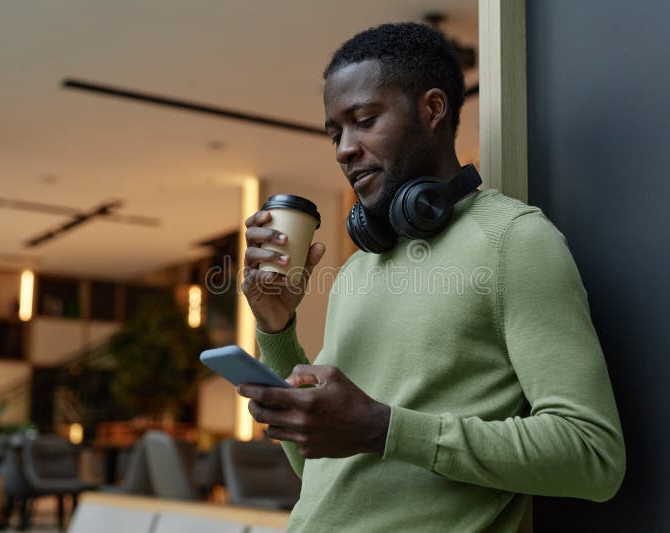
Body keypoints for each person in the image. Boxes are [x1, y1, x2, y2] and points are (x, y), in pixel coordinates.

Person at [238, 23, 625, 532]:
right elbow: (319, 470)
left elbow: (592, 456)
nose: (343, 149)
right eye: (336, 133)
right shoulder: (357, 271)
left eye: (364, 120)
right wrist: (276, 331)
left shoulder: (514, 241)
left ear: (433, 109)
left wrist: (384, 428)